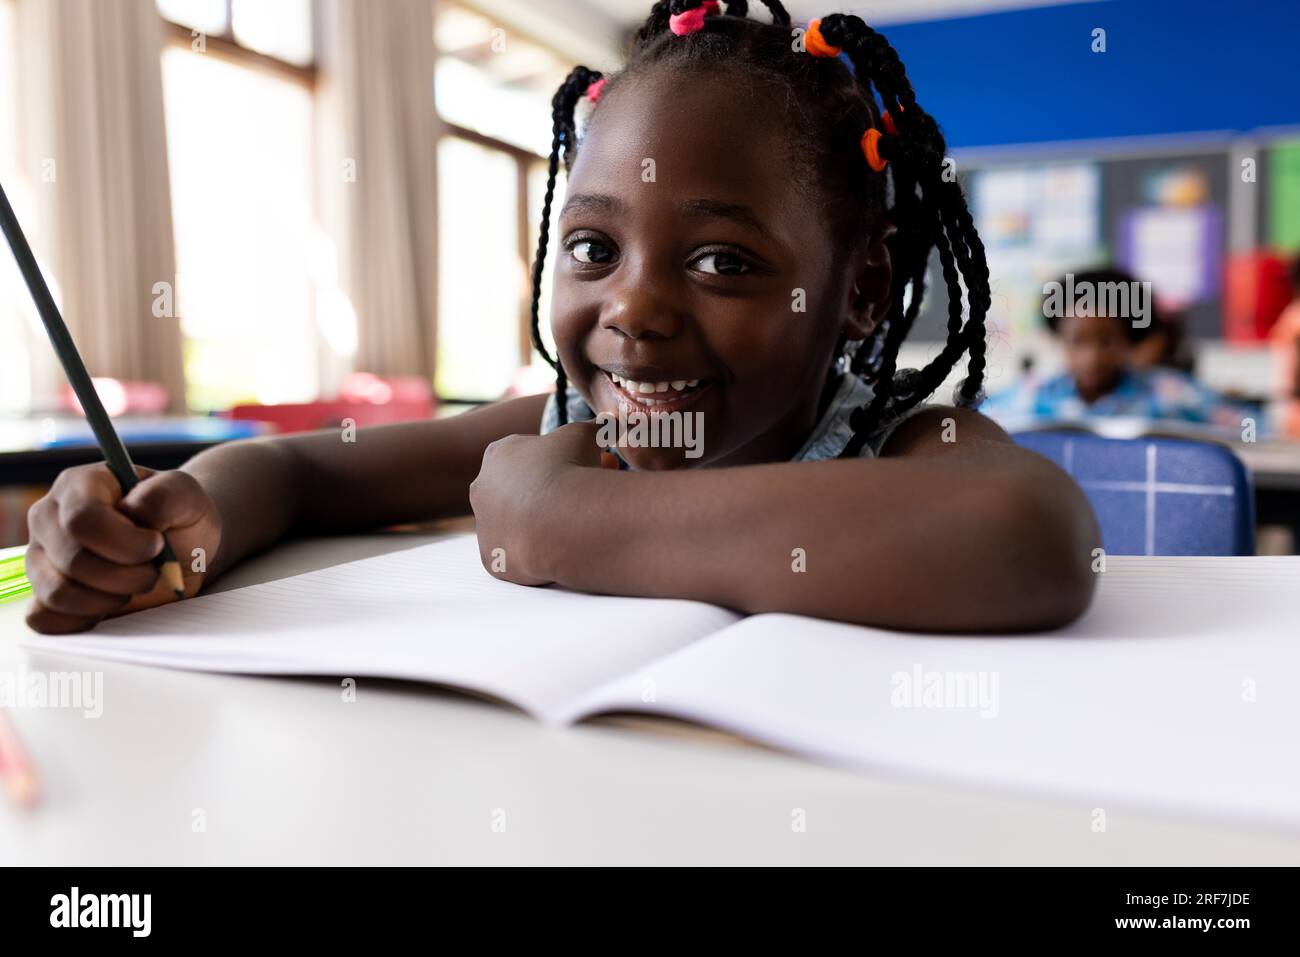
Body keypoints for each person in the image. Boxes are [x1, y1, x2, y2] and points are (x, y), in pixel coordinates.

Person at [22, 2, 1098, 636]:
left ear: (860, 288)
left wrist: (572, 528)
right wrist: (181, 527)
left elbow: (1033, 538)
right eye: (593, 248)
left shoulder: (896, 443)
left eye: (721, 259)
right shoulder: (548, 431)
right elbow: (306, 475)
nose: (631, 307)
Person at [982, 266, 1250, 428]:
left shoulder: (1171, 395)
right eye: (1078, 342)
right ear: (1060, 339)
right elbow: (978, 425)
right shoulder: (1031, 396)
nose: (1092, 357)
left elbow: (1249, 426)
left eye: (1106, 341)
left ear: (1128, 340)